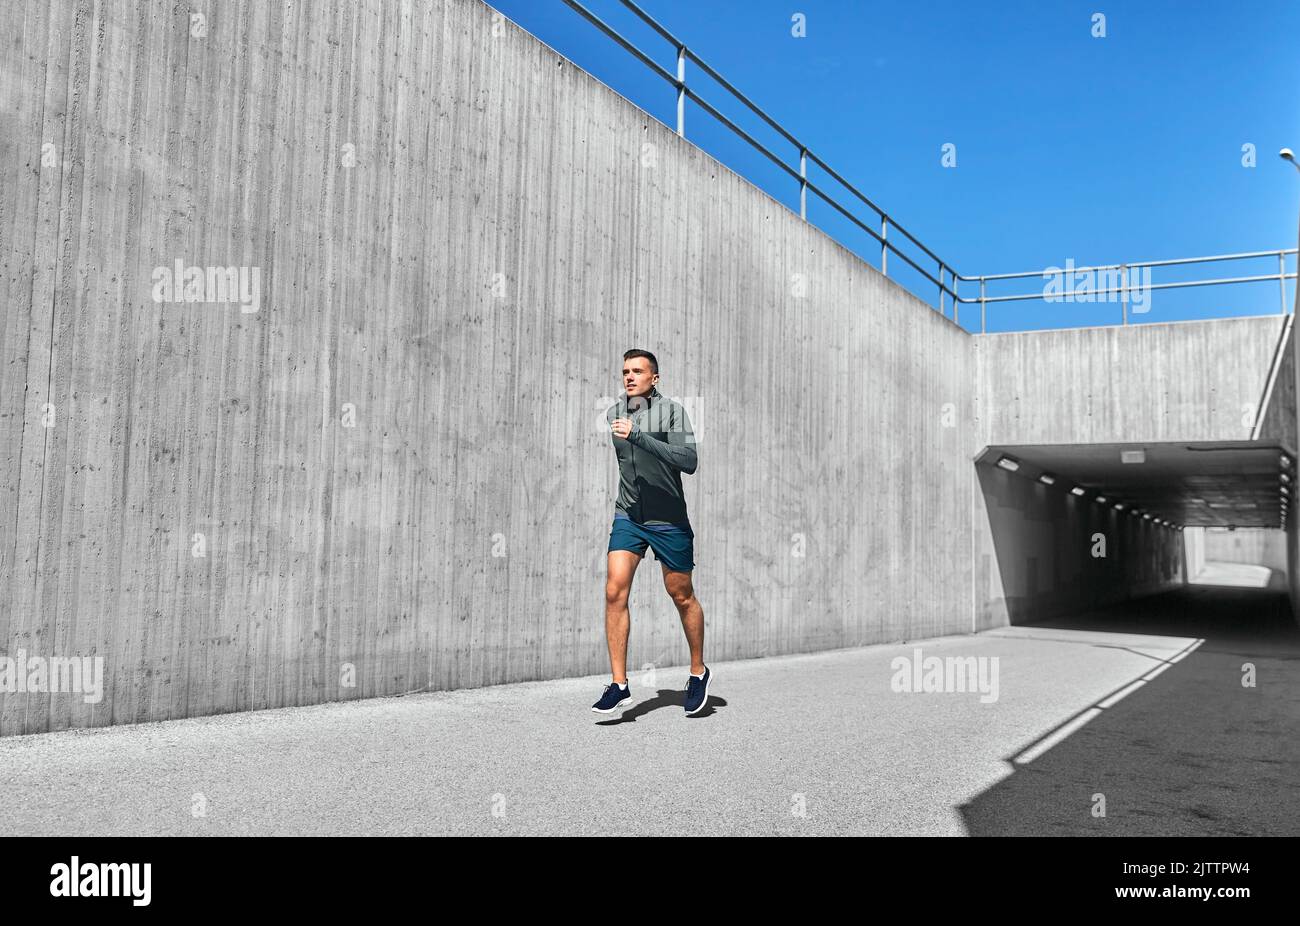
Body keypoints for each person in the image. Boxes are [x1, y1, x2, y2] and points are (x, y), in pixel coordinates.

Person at [591, 349, 710, 717]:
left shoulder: (673, 411)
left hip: (668, 519)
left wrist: (640, 435)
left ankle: (698, 672)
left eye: (638, 371)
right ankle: (619, 684)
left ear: (653, 379)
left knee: (680, 594)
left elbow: (688, 461)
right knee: (614, 589)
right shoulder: (614, 413)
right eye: (625, 370)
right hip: (629, 515)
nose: (629, 376)